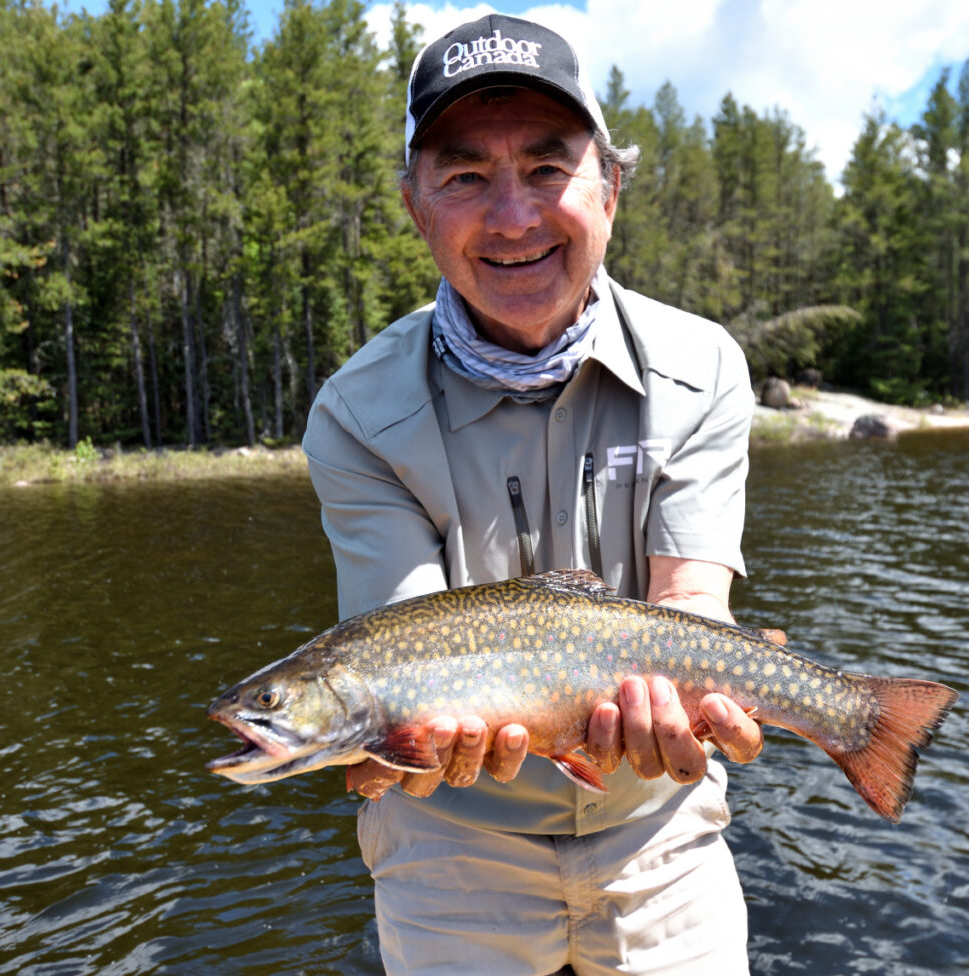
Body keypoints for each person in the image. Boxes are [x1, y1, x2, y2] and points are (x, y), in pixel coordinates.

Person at [302, 13, 763, 975]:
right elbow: (407, 652)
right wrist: (395, 748)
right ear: (414, 206)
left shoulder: (701, 365)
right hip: (446, 841)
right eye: (465, 176)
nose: (512, 217)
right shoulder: (353, 414)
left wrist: (702, 706)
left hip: (660, 827)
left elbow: (690, 608)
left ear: (611, 187)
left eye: (548, 168)